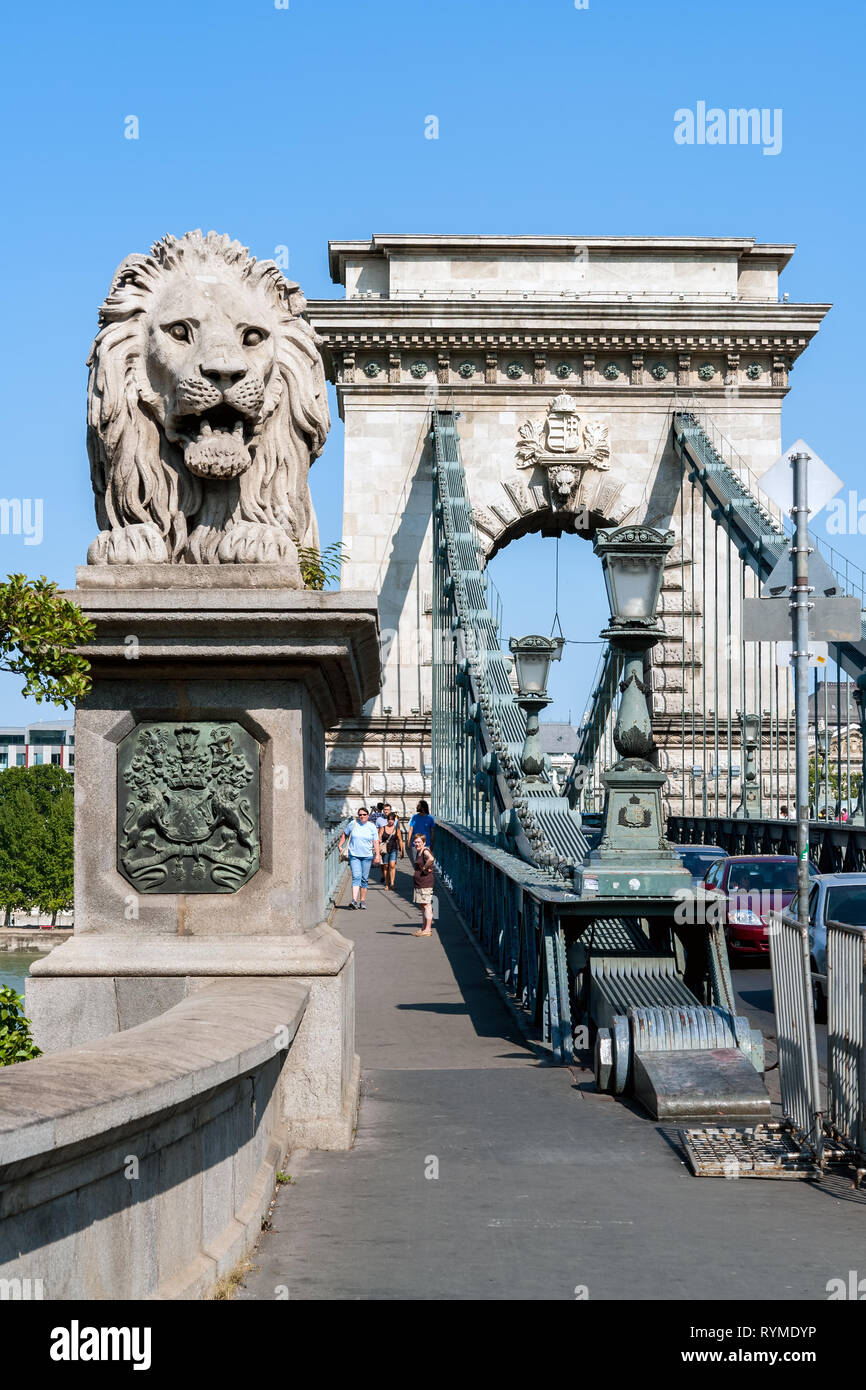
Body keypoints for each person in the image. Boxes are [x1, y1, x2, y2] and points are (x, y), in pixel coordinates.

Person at [338, 807, 381, 910]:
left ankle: (362, 901)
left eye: (364, 815)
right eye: (360, 815)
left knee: (364, 879)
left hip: (367, 856)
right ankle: (354, 900)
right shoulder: (353, 824)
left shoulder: (372, 827)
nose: (362, 816)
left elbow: (375, 841)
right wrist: (340, 845)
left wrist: (378, 855)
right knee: (356, 876)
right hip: (354, 855)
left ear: (368, 815)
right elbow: (345, 834)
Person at [412, 833, 435, 937]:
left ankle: (428, 929)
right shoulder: (419, 851)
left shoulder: (425, 851)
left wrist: (425, 868)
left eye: (419, 842)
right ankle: (423, 928)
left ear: (424, 843)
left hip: (425, 882)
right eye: (415, 842)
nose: (417, 844)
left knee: (427, 905)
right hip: (419, 882)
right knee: (422, 905)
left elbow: (431, 858)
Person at [378, 812, 403, 890]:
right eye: (389, 820)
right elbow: (378, 838)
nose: (390, 821)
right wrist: (377, 849)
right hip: (385, 849)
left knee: (392, 865)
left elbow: (400, 840)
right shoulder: (383, 828)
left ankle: (392, 883)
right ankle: (386, 883)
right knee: (385, 866)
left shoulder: (396, 829)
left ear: (394, 820)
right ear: (387, 820)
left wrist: (401, 850)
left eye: (392, 820)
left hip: (393, 848)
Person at [408, 800, 435, 864]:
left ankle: (423, 873)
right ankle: (418, 874)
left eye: (418, 805)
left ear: (423, 808)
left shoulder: (430, 818)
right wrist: (408, 841)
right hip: (415, 843)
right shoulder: (414, 817)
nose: (416, 807)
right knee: (416, 862)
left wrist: (432, 843)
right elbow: (410, 829)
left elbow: (432, 832)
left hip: (426, 843)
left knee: (426, 862)